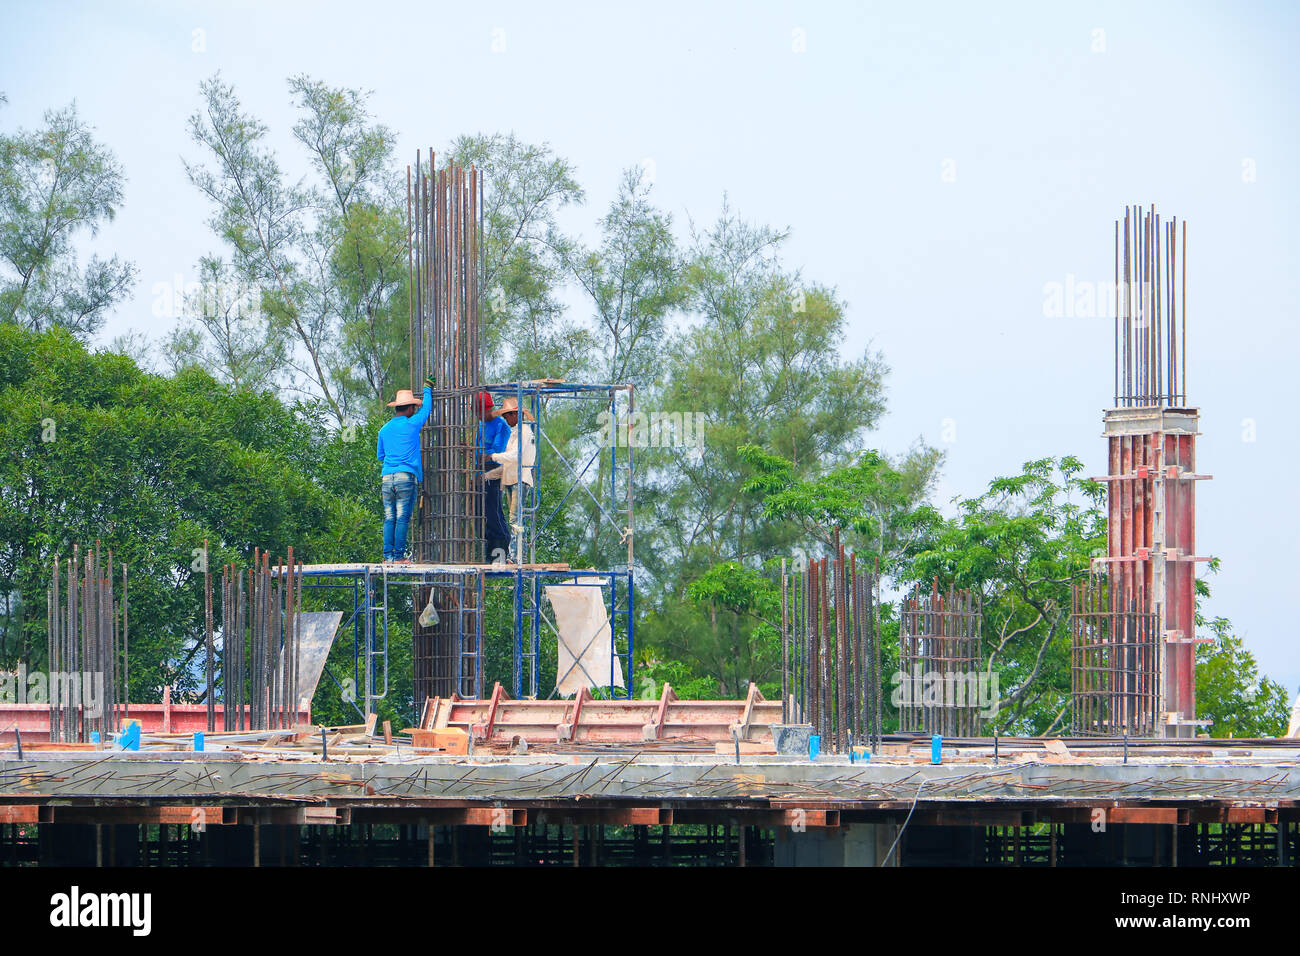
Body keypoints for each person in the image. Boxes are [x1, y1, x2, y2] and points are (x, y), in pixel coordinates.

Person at [377, 375, 435, 562]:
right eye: (414, 407)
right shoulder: (412, 423)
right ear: (410, 408)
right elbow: (427, 408)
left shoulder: (384, 430)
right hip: (405, 477)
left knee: (389, 517)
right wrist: (427, 388)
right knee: (402, 518)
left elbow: (381, 456)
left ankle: (388, 557)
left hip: (387, 478)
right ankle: (399, 556)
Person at [486, 396, 536, 563]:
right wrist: (486, 476)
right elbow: (507, 463)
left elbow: (515, 456)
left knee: (516, 519)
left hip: (520, 480)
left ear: (515, 414)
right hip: (510, 479)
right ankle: (514, 555)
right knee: (513, 518)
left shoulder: (525, 432)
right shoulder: (515, 433)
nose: (506, 420)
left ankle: (516, 556)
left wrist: (492, 456)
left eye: (507, 416)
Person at [474, 391, 511, 563]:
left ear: (488, 409)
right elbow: (477, 451)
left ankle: (501, 552)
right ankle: (490, 554)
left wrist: (483, 454)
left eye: (479, 412)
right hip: (480, 474)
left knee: (492, 512)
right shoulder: (481, 426)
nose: (478, 416)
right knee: (481, 514)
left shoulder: (500, 426)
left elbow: (498, 450)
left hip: (493, 474)